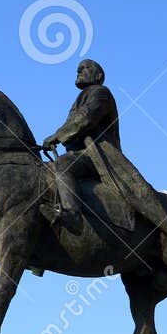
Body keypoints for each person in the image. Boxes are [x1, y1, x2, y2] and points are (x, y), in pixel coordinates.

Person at [40, 58, 122, 226]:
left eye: (85, 68)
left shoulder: (101, 92)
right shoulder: (83, 96)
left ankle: (73, 214)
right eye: (78, 69)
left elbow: (85, 117)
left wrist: (57, 136)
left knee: (63, 164)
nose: (79, 71)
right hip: (81, 154)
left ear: (98, 76)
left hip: (99, 158)